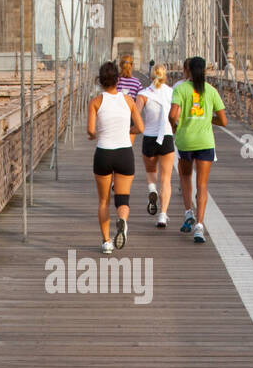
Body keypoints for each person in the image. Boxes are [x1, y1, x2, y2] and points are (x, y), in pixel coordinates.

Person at [87, 60, 143, 253]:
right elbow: (141, 128)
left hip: (103, 153)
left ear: (100, 81)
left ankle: (106, 242)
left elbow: (91, 131)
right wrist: (128, 131)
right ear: (118, 80)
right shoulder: (128, 101)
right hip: (124, 153)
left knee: (103, 201)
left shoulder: (95, 102)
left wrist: (96, 134)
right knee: (123, 199)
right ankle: (123, 221)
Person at [169, 55, 227, 243]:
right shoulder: (211, 91)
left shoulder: (181, 89)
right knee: (202, 185)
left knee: (185, 177)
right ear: (204, 71)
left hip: (185, 141)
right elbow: (224, 121)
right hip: (205, 141)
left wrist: (175, 126)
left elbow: (173, 115)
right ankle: (200, 227)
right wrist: (209, 119)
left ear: (187, 71)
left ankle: (188, 213)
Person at [136, 63, 175, 227]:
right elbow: (176, 115)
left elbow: (136, 115)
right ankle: (162, 215)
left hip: (149, 138)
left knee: (151, 172)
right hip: (166, 137)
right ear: (165, 76)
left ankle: (152, 190)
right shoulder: (172, 93)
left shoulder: (143, 94)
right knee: (166, 179)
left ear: (151, 75)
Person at [117, 52, 144, 145]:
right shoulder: (137, 82)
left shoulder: (115, 81)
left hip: (117, 115)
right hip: (131, 115)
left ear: (120, 65)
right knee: (128, 145)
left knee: (116, 144)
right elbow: (141, 99)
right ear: (132, 65)